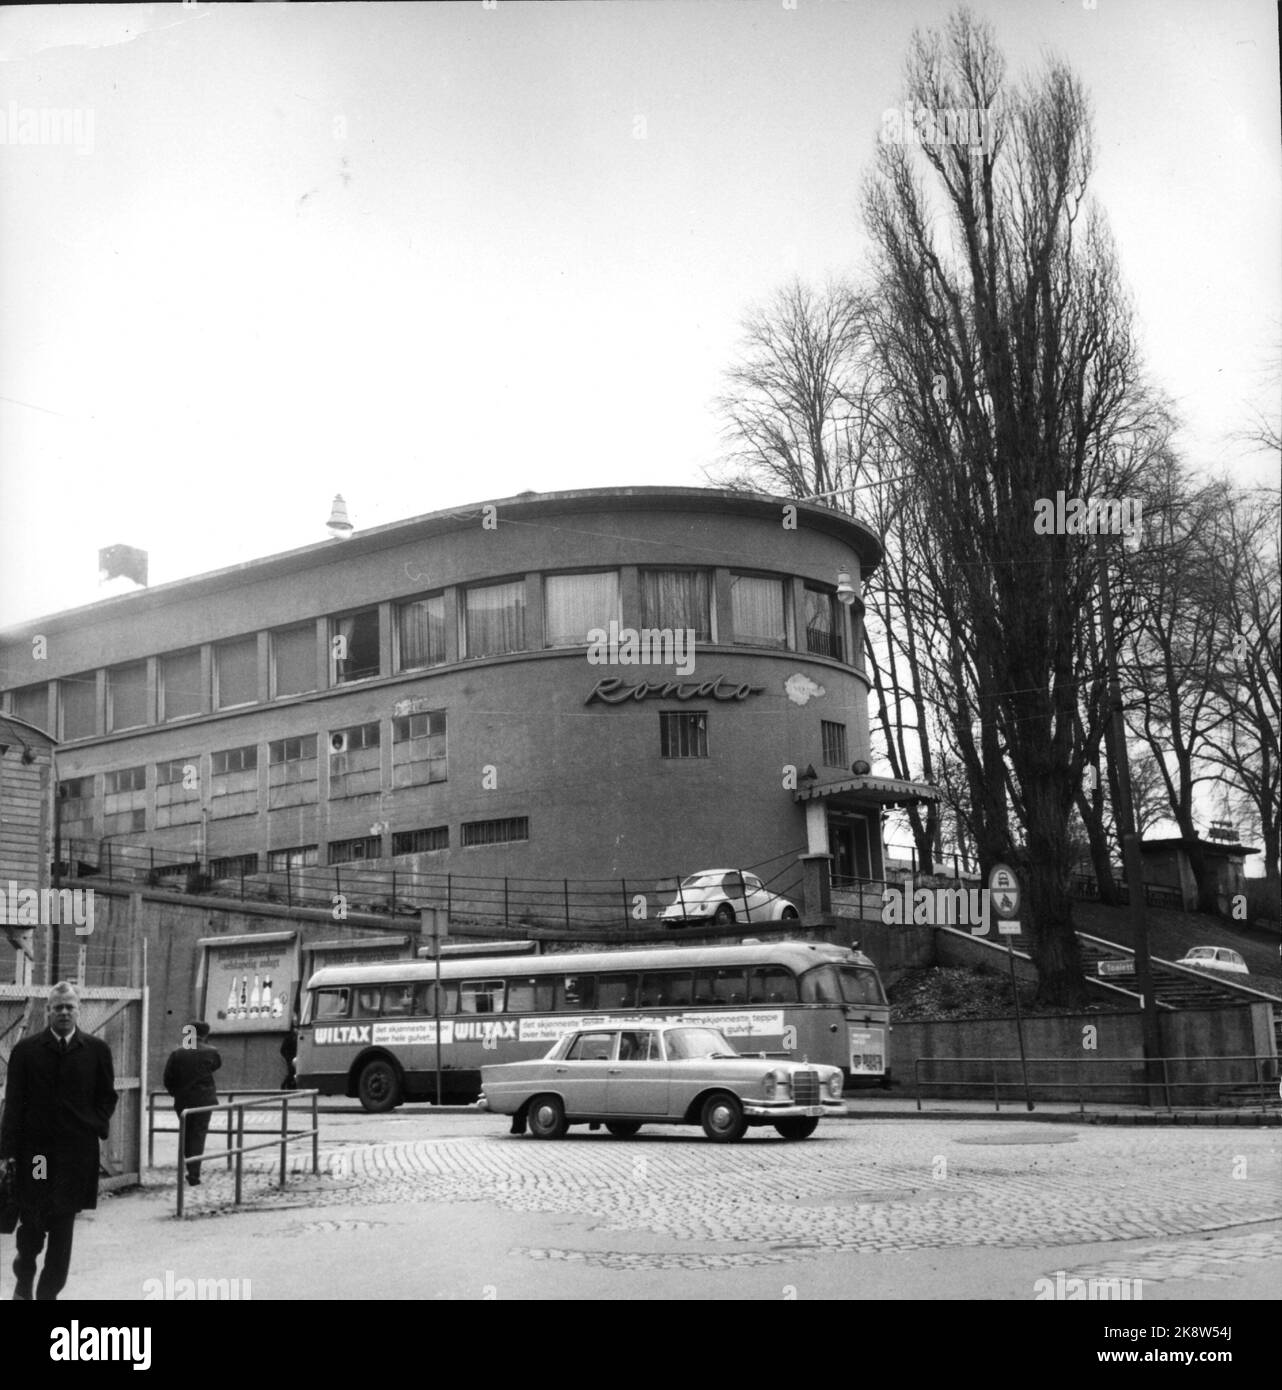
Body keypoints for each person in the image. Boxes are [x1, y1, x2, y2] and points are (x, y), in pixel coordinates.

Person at [0, 981, 117, 1301]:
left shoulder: (96, 1050)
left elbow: (107, 1097)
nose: (64, 1012)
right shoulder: (27, 1051)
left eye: (70, 1007)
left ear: (78, 1010)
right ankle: (24, 1273)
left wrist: (94, 1125)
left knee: (63, 1228)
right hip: (37, 1158)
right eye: (57, 1007)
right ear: (47, 1011)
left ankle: (47, 1295)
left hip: (75, 1157)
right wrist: (7, 1153)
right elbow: (13, 1104)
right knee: (34, 1222)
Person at [162, 1020, 221, 1186]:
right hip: (204, 1100)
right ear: (206, 1034)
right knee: (198, 1134)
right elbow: (216, 1065)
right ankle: (194, 1173)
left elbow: (168, 1078)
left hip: (183, 1101)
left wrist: (177, 1093)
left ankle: (189, 1167)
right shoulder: (212, 1051)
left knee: (186, 1134)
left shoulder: (178, 1053)